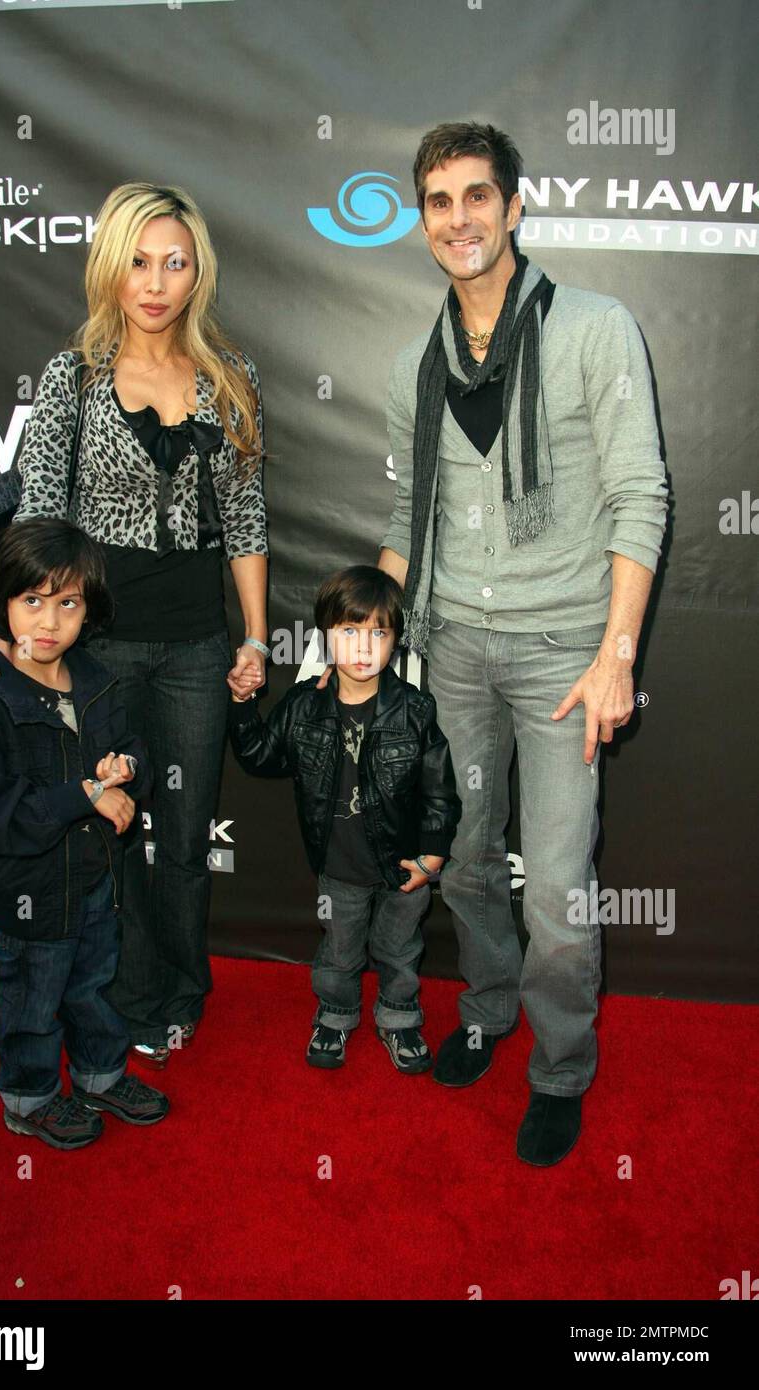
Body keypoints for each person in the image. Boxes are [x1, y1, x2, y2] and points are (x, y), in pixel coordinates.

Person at [378, 122, 669, 1164]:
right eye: (436, 201)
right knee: (461, 861)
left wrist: (614, 656)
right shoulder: (420, 357)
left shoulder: (595, 327)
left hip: (560, 657)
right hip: (448, 646)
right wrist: (372, 632)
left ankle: (557, 1068)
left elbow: (640, 498)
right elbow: (413, 505)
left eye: (475, 196)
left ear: (511, 207)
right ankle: (487, 1009)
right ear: (421, 221)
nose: (457, 218)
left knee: (552, 886)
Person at [0, 182, 270, 1069]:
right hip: (94, 651)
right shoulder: (75, 376)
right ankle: (119, 996)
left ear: (197, 270)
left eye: (174, 261)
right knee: (108, 827)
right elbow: (35, 516)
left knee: (184, 831)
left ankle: (180, 991)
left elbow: (245, 522)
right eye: (138, 260)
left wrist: (253, 639)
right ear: (110, 266)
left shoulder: (229, 378)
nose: (156, 281)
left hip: (197, 650)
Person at [0, 519, 169, 1149]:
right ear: (1, 605)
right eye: (31, 601)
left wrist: (126, 769)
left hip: (95, 880)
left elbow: (131, 751)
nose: (48, 621)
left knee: (93, 985)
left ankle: (100, 1074)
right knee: (32, 1000)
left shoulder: (95, 682)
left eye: (66, 603)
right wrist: (85, 795)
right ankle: (29, 1096)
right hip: (30, 889)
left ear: (87, 610)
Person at [228, 565, 461, 1072]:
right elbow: (259, 758)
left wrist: (431, 857)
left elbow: (440, 792)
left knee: (400, 951)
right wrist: (243, 703)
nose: (362, 646)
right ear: (326, 635)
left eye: (377, 632)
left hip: (404, 869)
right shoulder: (303, 706)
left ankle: (398, 1017)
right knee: (339, 951)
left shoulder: (415, 711)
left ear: (396, 640)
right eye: (349, 631)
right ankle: (335, 1014)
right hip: (337, 867)